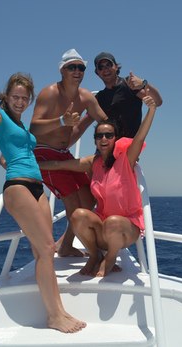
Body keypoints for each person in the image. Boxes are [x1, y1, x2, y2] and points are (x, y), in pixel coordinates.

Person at [0, 58, 85, 333]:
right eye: (16, 96)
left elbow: (13, 151)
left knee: (43, 250)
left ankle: (59, 310)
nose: (20, 101)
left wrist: (7, 158)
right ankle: (54, 316)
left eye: (25, 98)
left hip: (37, 187)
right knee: (47, 248)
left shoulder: (22, 127)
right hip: (18, 187)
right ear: (6, 96)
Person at [38, 90, 157, 277]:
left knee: (113, 222)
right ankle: (95, 255)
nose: (104, 139)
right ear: (95, 140)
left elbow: (140, 137)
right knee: (77, 215)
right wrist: (23, 164)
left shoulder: (126, 159)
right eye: (99, 136)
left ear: (115, 138)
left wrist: (151, 110)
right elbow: (58, 165)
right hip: (103, 228)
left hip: (126, 228)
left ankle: (110, 258)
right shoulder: (93, 162)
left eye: (109, 135)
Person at [29, 49, 108, 257]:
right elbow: (34, 128)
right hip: (43, 152)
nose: (77, 71)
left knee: (89, 196)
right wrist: (62, 121)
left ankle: (65, 244)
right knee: (72, 200)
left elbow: (105, 121)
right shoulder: (50, 93)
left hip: (64, 153)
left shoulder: (86, 97)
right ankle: (71, 248)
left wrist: (123, 145)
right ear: (62, 70)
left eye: (81, 67)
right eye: (72, 67)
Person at [73, 51, 163, 140]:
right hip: (108, 147)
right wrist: (64, 146)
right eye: (101, 67)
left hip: (131, 146)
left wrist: (144, 83)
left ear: (116, 67)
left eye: (108, 65)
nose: (105, 69)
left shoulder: (129, 85)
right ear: (97, 72)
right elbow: (80, 127)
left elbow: (157, 102)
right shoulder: (98, 99)